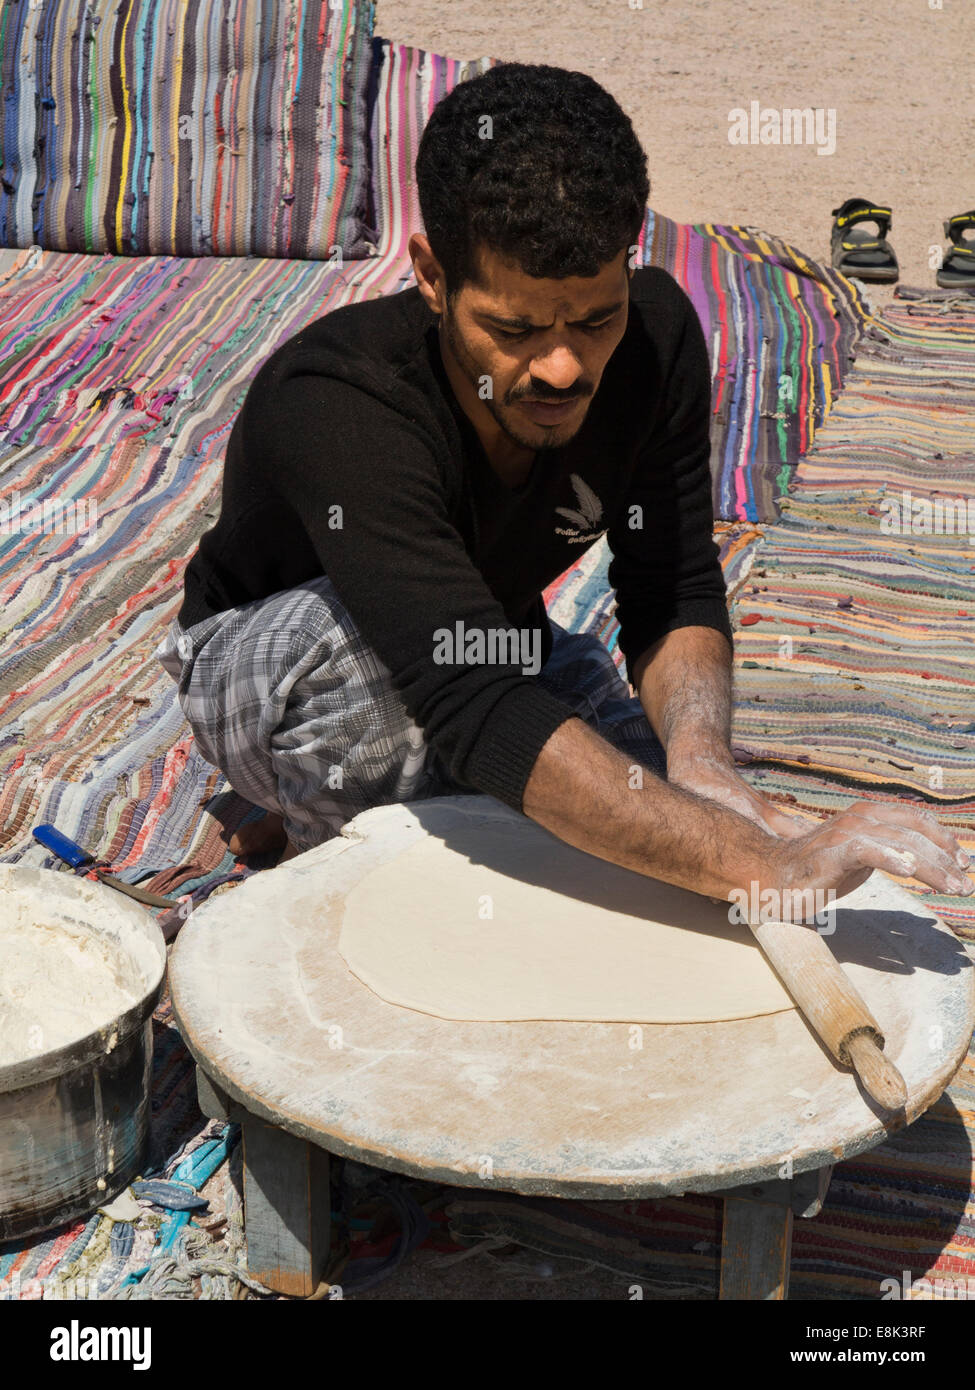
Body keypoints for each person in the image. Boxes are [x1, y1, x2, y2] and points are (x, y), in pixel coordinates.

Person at [156, 62, 971, 917]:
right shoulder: (340, 400)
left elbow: (673, 586)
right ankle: (314, 851)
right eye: (512, 329)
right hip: (277, 662)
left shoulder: (654, 341)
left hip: (488, 638)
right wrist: (768, 872)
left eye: (593, 319)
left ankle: (357, 806)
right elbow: (464, 695)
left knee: (660, 802)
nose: (562, 367)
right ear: (432, 276)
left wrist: (702, 766)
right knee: (379, 700)